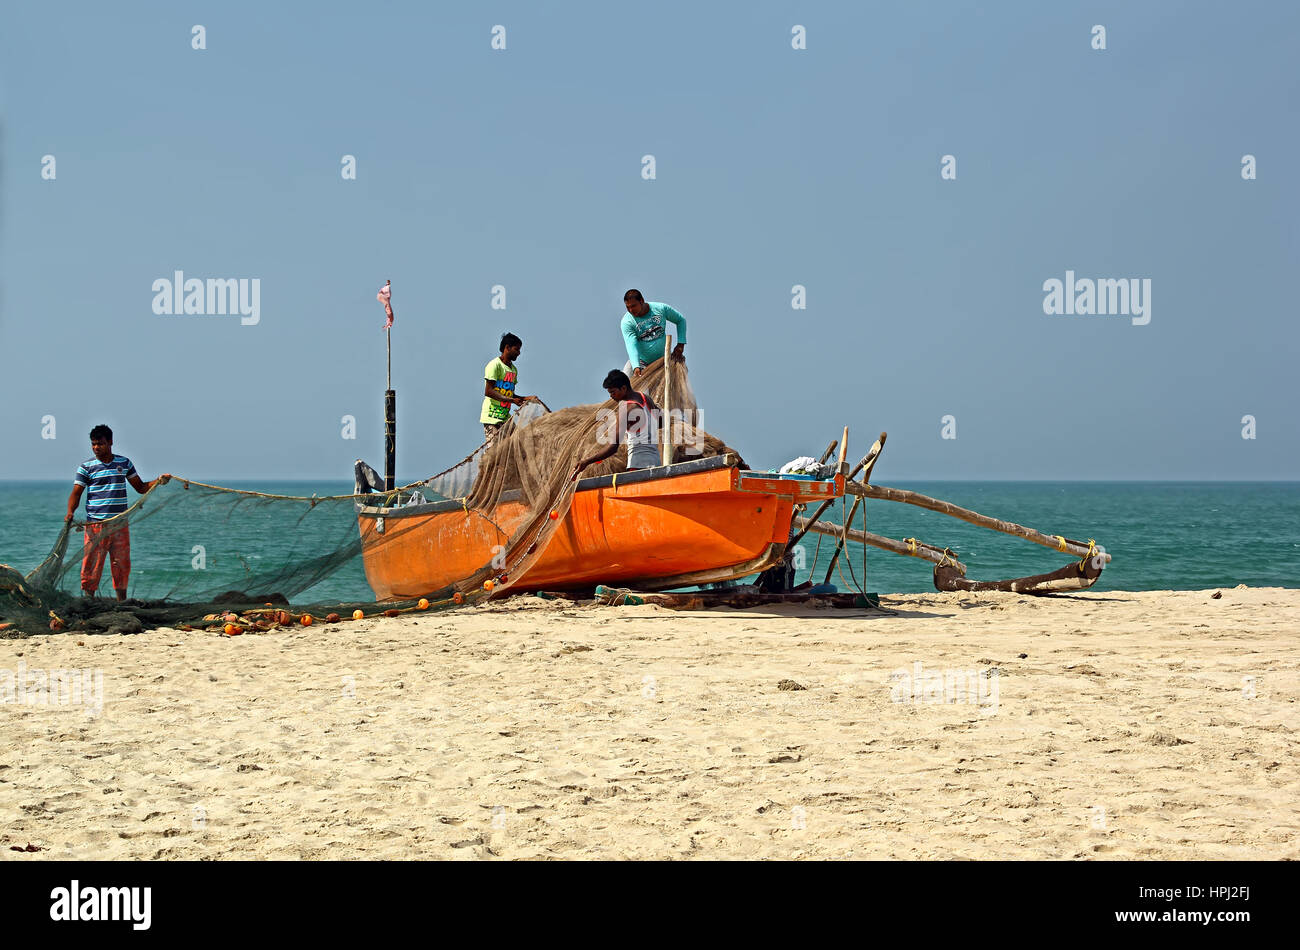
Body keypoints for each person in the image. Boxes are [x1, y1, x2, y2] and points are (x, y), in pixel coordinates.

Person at [65, 425, 169, 600]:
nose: (97, 448)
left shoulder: (124, 463)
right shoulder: (86, 467)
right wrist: (70, 512)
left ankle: (122, 603)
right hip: (95, 525)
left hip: (120, 524)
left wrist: (158, 481)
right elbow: (76, 493)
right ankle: (88, 601)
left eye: (101, 444)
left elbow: (141, 487)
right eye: (93, 444)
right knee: (91, 565)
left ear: (111, 442)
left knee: (121, 564)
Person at [570, 370, 661, 479]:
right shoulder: (646, 398)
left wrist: (586, 461)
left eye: (613, 392)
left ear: (623, 388)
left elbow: (613, 447)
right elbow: (660, 422)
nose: (611, 397)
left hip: (637, 467)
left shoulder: (626, 410)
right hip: (656, 465)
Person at [481, 332, 540, 441]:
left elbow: (508, 392)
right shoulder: (495, 365)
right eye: (516, 349)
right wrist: (512, 400)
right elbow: (489, 391)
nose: (519, 353)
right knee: (495, 452)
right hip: (492, 418)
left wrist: (526, 398)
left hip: (505, 418)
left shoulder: (513, 370)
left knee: (519, 443)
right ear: (507, 348)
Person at [620, 289, 686, 378]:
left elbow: (680, 320)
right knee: (622, 382)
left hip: (662, 361)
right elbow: (631, 344)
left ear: (641, 300)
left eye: (633, 306)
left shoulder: (660, 309)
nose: (631, 310)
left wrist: (680, 344)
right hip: (641, 362)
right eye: (628, 307)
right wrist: (636, 366)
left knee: (664, 389)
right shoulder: (627, 322)